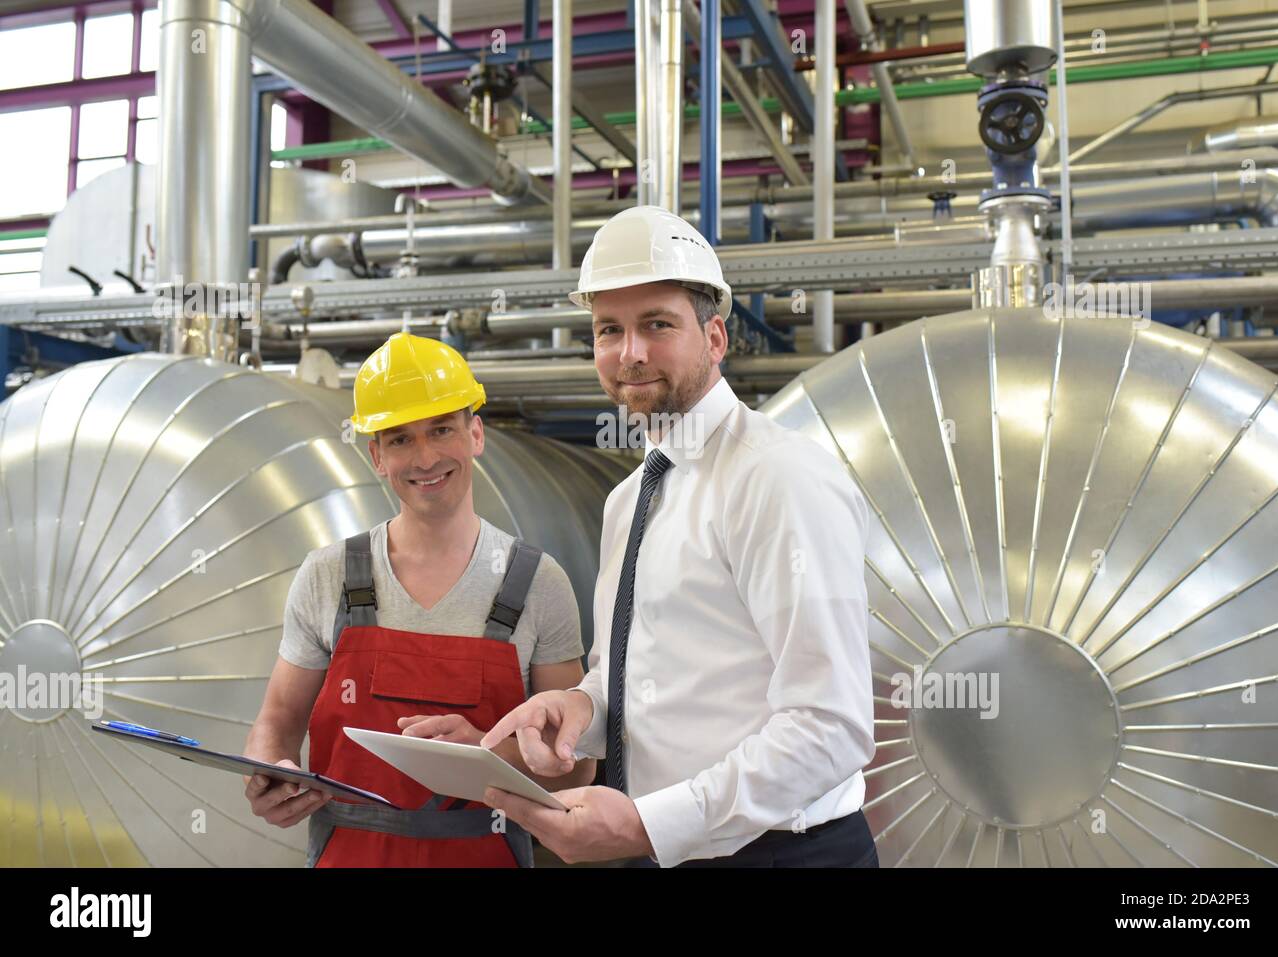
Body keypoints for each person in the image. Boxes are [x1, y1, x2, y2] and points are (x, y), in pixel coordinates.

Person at [481, 206, 879, 868]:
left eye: (657, 325)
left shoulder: (777, 477)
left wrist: (651, 824)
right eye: (609, 329)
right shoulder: (628, 499)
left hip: (780, 854)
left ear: (716, 337)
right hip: (666, 845)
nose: (629, 352)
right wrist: (581, 703)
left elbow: (830, 726)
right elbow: (644, 664)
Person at [243, 332, 594, 867]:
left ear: (475, 433)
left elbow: (577, 766)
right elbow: (278, 720)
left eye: (441, 429)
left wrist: (486, 750)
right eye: (400, 439)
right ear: (377, 456)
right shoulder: (328, 576)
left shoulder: (537, 584)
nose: (425, 457)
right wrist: (270, 770)